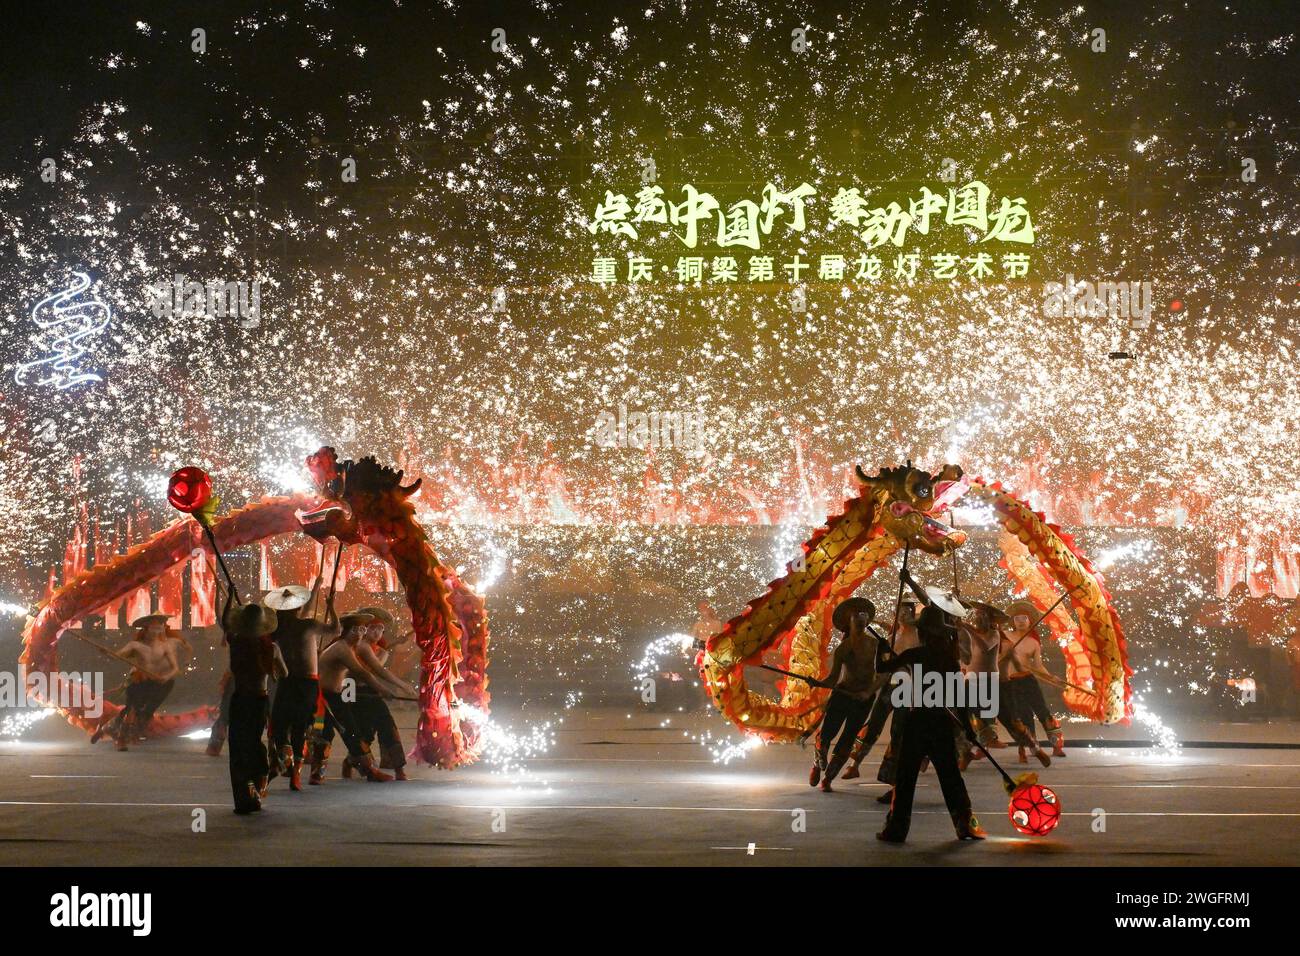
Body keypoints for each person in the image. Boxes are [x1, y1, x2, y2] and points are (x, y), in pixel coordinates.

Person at [875, 568, 986, 843]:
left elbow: (882, 668)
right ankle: (964, 826)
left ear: (923, 632)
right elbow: (959, 698)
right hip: (940, 724)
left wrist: (882, 647)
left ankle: (896, 829)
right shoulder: (948, 660)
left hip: (916, 723)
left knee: (906, 778)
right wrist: (968, 730)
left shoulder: (915, 653)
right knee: (950, 777)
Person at [309, 612, 405, 784]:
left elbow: (371, 670)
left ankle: (368, 770)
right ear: (346, 631)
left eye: (362, 629)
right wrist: (383, 690)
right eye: (356, 629)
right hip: (324, 697)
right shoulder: (341, 648)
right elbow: (364, 673)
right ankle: (318, 773)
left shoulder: (349, 647)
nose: (360, 633)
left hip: (337, 696)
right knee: (326, 734)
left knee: (350, 732)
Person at [266, 583, 339, 790]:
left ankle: (286, 760)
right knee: (300, 727)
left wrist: (317, 590)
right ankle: (293, 771)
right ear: (297, 608)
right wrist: (331, 606)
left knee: (281, 724)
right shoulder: (307, 625)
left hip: (288, 682)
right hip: (305, 683)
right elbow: (335, 630)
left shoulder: (277, 630)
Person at [808, 597, 883, 792]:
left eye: (863, 614)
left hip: (863, 699)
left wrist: (868, 692)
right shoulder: (843, 648)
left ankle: (829, 779)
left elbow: (884, 674)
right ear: (848, 622)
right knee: (827, 734)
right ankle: (817, 764)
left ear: (867, 621)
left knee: (848, 739)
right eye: (855, 615)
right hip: (843, 694)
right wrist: (818, 684)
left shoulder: (875, 646)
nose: (860, 617)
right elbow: (833, 679)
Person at [842, 599, 920, 782]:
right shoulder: (894, 635)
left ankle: (892, 775)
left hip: (909, 688)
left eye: (907, 612)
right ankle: (854, 765)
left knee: (898, 731)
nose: (902, 615)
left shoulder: (918, 633)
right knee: (873, 725)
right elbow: (884, 668)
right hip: (890, 685)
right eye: (899, 612)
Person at [222, 593, 286, 814]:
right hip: (260, 700)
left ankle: (245, 798)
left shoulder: (236, 642)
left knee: (240, 748)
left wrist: (229, 599)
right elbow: (282, 674)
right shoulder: (272, 648)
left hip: (240, 700)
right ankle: (257, 789)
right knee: (256, 745)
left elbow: (223, 622)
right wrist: (273, 669)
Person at [89, 614, 181, 751]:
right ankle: (121, 738)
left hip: (157, 683)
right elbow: (117, 656)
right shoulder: (135, 645)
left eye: (158, 628)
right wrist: (107, 653)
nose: (155, 631)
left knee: (142, 711)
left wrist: (166, 677)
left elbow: (175, 668)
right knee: (132, 709)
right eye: (152, 628)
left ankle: (108, 729)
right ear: (145, 629)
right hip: (139, 681)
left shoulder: (165, 647)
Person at [347, 606, 417, 780]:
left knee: (387, 725)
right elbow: (377, 669)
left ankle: (398, 769)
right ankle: (350, 761)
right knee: (366, 733)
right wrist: (401, 685)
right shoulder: (362, 645)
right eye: (374, 628)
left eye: (381, 629)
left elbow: (378, 658)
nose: (378, 632)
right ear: (365, 629)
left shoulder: (371, 646)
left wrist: (393, 645)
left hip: (370, 690)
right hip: (357, 693)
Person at [1003, 600, 1066, 759]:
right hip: (1011, 683)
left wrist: (1051, 678)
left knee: (1043, 713)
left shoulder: (1033, 643)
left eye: (1024, 618)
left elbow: (1038, 667)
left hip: (1028, 681)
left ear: (1030, 620)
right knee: (1023, 716)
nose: (1021, 621)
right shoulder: (1005, 635)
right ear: (1012, 622)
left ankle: (1056, 746)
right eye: (1017, 618)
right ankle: (1030, 747)